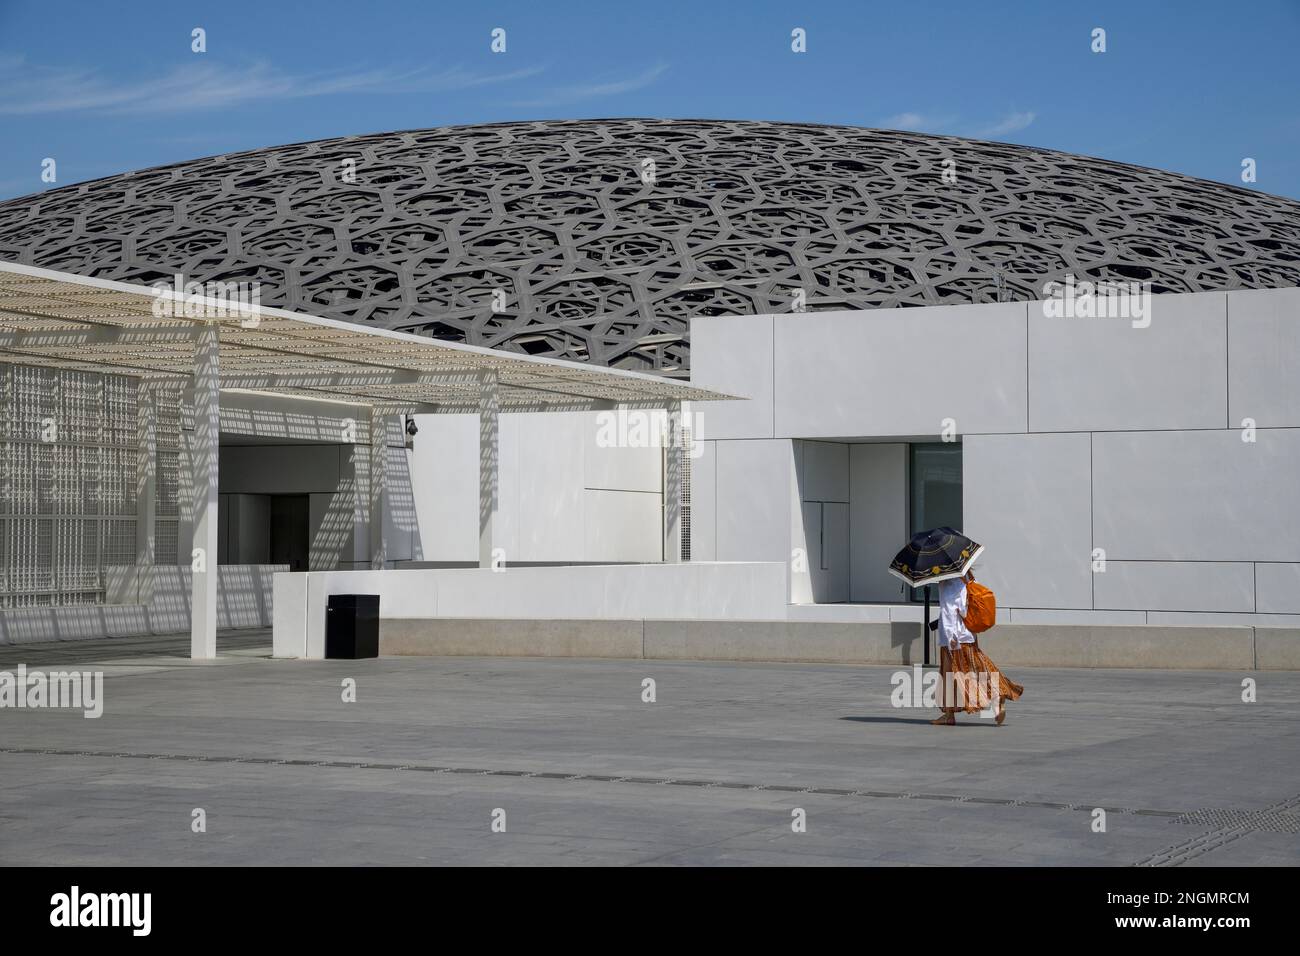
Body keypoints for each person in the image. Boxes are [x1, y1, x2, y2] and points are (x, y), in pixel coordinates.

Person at [929, 571, 1023, 726]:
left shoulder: (949, 584)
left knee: (952, 674)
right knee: (976, 667)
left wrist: (951, 637)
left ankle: (996, 695)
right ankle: (950, 714)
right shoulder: (967, 578)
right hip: (967, 634)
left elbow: (949, 612)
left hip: (954, 639)